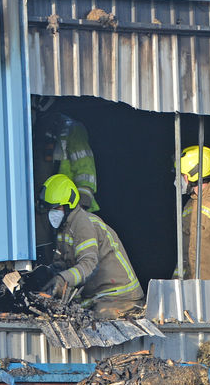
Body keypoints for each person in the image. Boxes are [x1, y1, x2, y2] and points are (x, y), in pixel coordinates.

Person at [34, 174, 143, 319]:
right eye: (49, 208)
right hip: (100, 295)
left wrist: (62, 279)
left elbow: (89, 264)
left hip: (120, 295)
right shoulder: (64, 227)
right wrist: (49, 276)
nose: (51, 213)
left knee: (96, 320)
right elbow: (62, 263)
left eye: (56, 208)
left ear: (68, 206)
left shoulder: (83, 224)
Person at [34, 110, 101, 213]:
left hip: (69, 206)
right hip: (44, 205)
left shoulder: (72, 129)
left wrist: (80, 206)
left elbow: (86, 171)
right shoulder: (31, 129)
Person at [174, 145, 210, 281]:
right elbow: (183, 253)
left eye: (182, 175)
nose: (179, 180)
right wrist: (176, 283)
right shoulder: (189, 206)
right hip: (192, 289)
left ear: (192, 174)